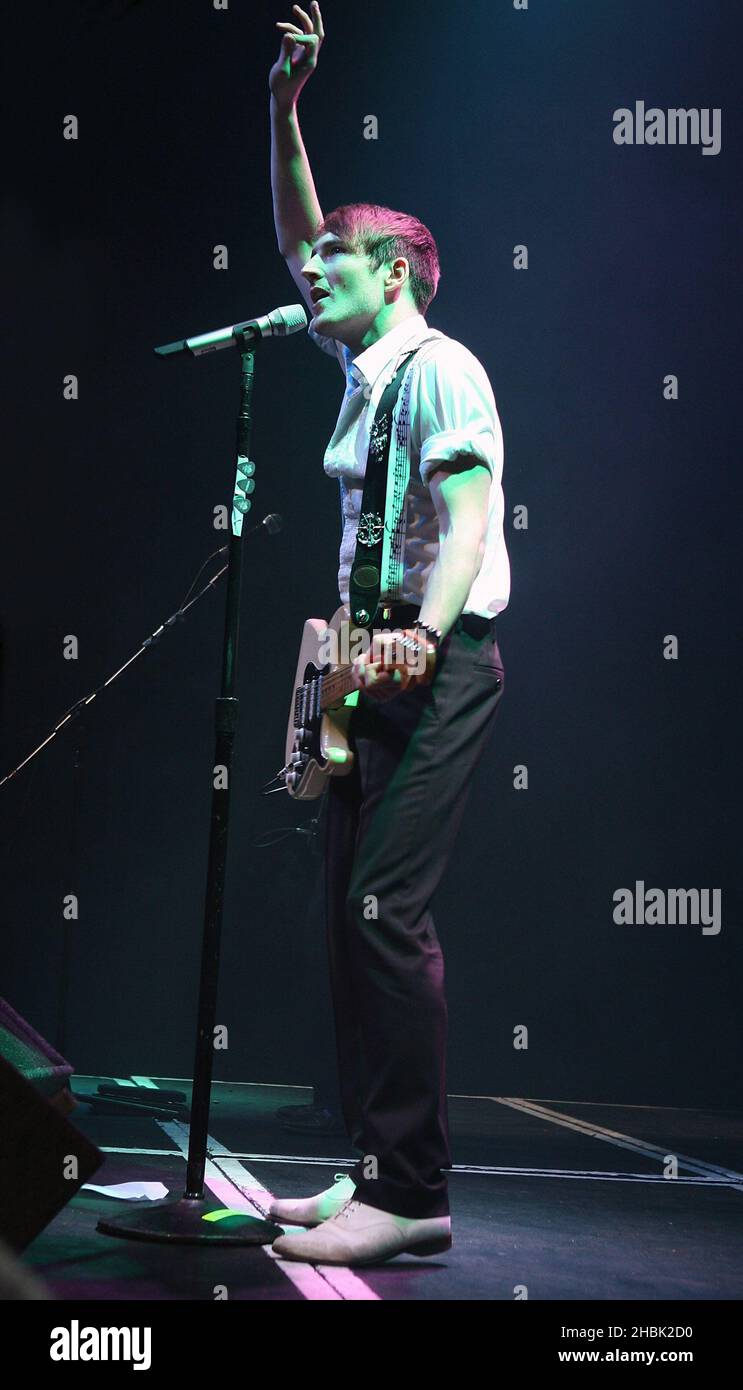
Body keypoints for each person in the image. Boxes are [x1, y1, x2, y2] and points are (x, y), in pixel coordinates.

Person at [267, 3, 510, 1266]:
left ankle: (412, 1190)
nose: (309, 276)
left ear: (394, 275)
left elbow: (469, 519)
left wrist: (417, 633)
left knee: (381, 911)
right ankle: (370, 1168)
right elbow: (304, 234)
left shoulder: (443, 368)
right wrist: (284, 112)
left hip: (438, 661)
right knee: (338, 916)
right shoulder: (364, 375)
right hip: (364, 666)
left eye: (334, 269)